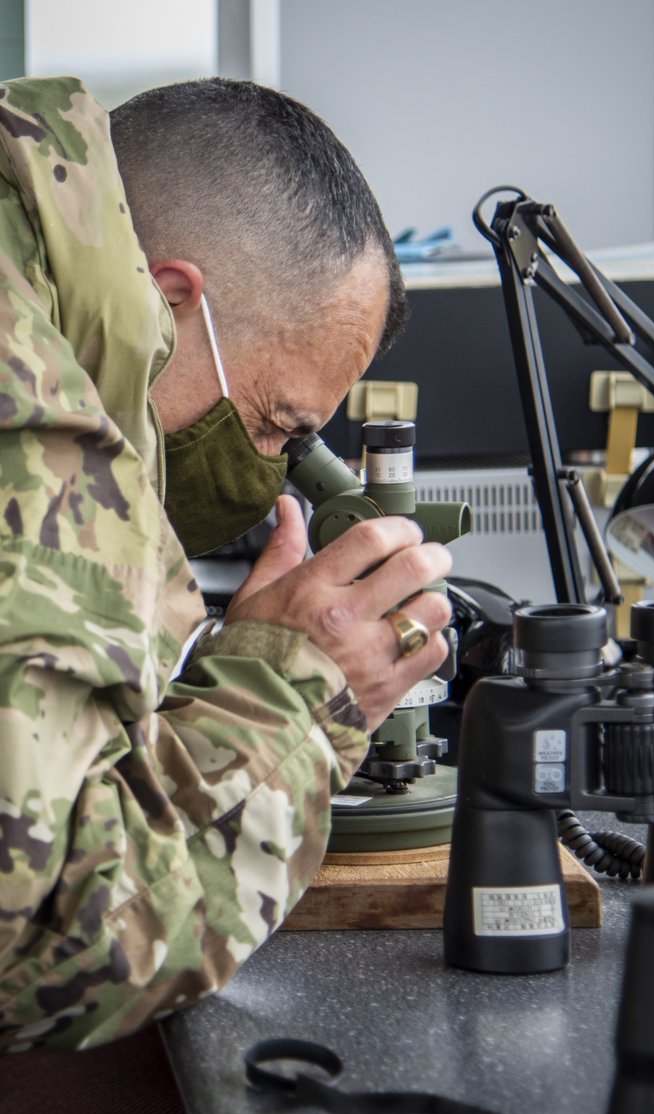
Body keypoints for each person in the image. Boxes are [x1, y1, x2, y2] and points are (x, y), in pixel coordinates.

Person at [0, 75, 452, 1052]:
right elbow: (42, 948)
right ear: (171, 300)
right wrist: (298, 691)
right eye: (275, 423)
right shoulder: (27, 412)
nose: (265, 467)